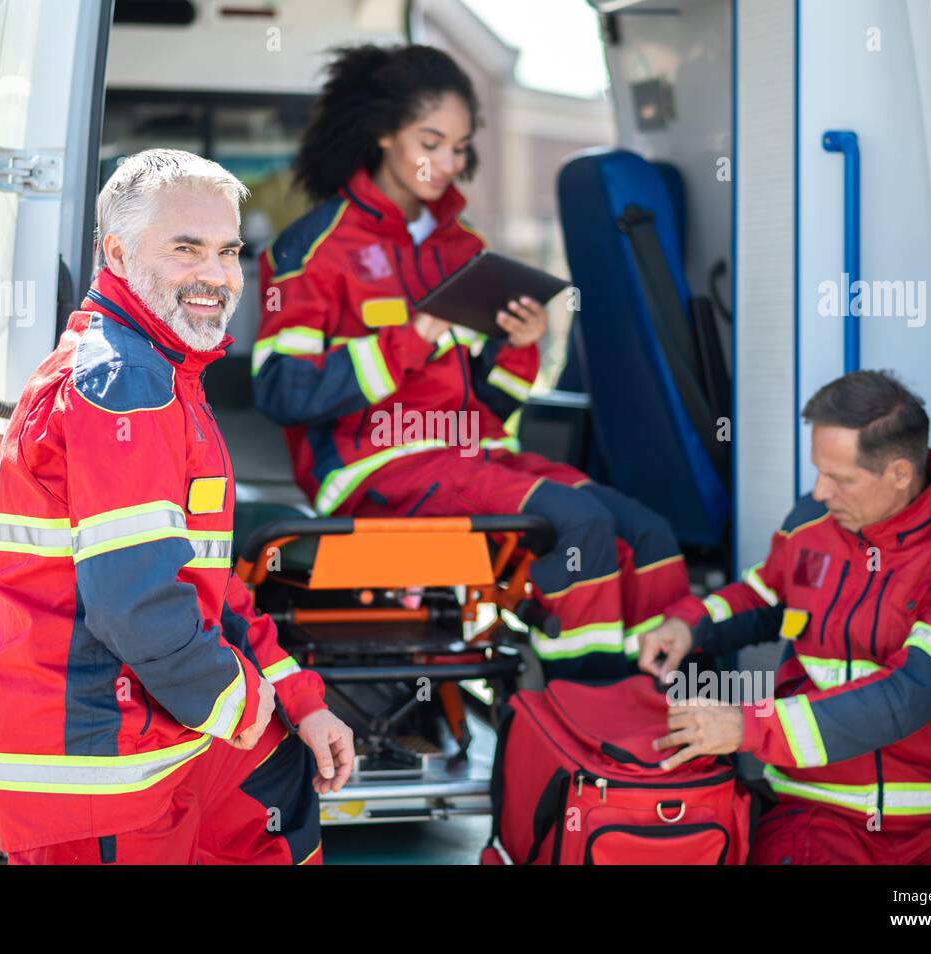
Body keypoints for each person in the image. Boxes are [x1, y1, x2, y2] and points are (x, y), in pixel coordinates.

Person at [0, 149, 354, 865]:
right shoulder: (126, 381)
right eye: (186, 249)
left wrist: (297, 695)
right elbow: (133, 602)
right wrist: (234, 701)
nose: (216, 274)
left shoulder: (165, 370)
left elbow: (202, 580)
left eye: (229, 250)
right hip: (92, 766)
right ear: (117, 252)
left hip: (148, 730)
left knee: (278, 782)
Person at [251, 44, 688, 682]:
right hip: (373, 469)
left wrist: (520, 341)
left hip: (473, 457)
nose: (449, 163)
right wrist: (413, 335)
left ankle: (653, 698)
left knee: (647, 532)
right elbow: (283, 392)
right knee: (582, 524)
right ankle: (582, 710)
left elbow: (495, 406)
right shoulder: (313, 246)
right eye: (432, 141)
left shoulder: (465, 249)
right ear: (382, 135)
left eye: (460, 147)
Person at [639, 370, 931, 864]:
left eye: (840, 479)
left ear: (900, 474)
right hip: (811, 811)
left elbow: (909, 695)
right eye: (817, 471)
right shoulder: (810, 522)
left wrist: (751, 726)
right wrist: (689, 624)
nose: (820, 492)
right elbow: (767, 601)